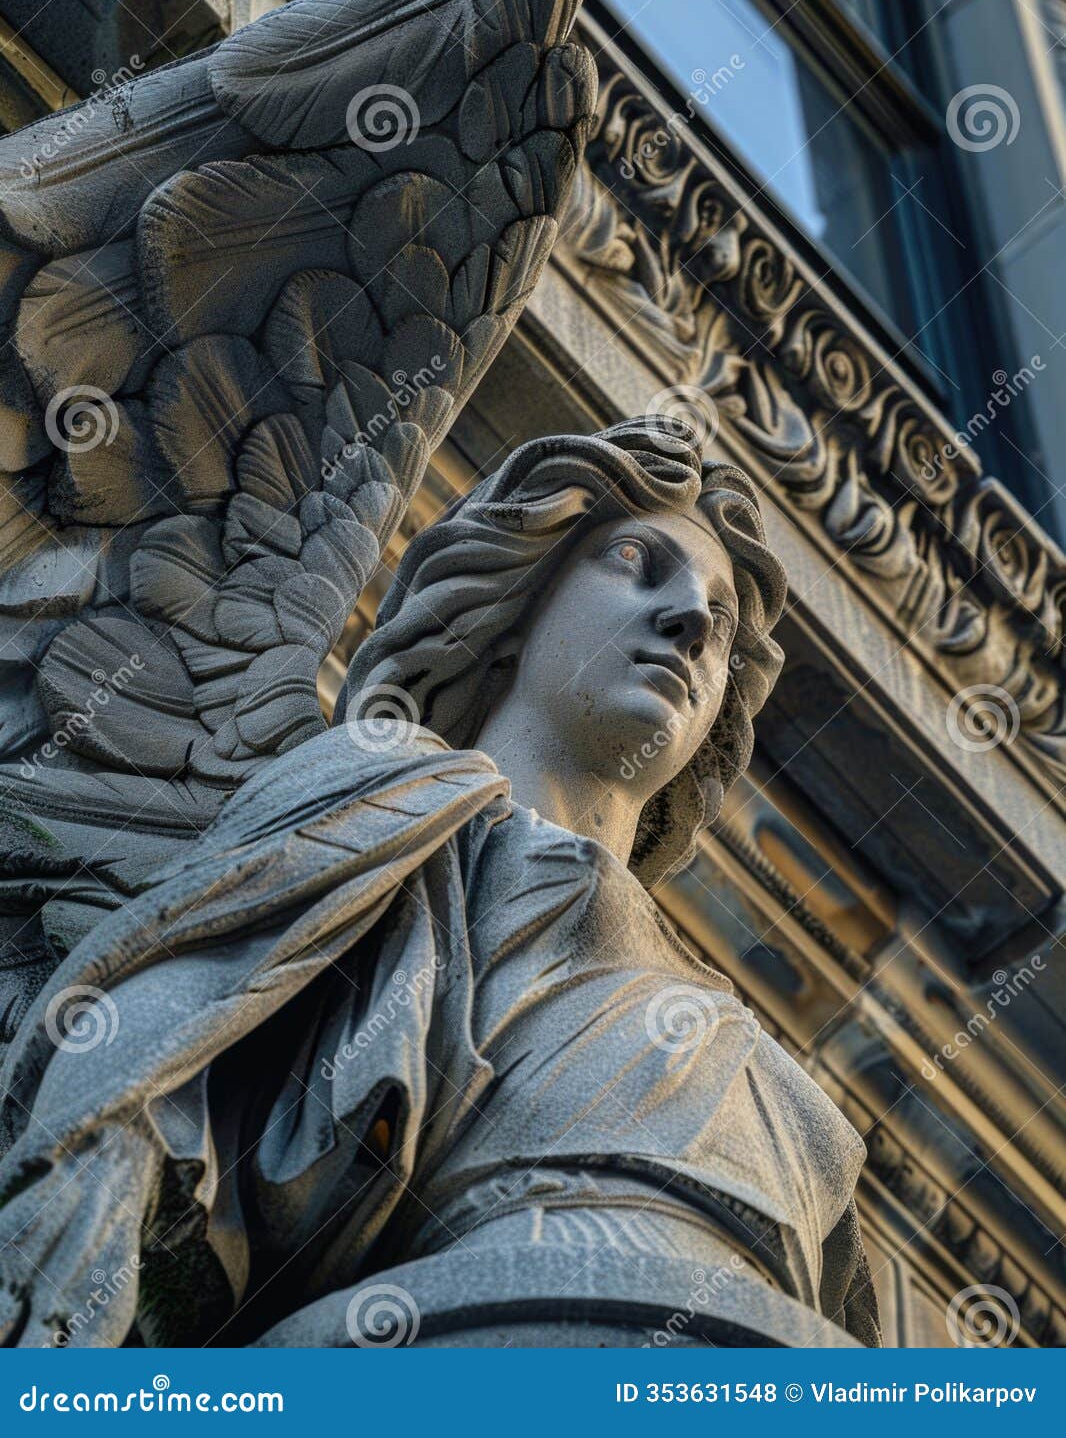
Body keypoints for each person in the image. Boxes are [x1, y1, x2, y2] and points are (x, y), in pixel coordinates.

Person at [0, 420, 878, 1347]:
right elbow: (194, 981)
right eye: (635, 560)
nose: (695, 620)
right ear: (511, 617)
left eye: (723, 616)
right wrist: (96, 1160)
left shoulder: (739, 1043)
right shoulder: (402, 794)